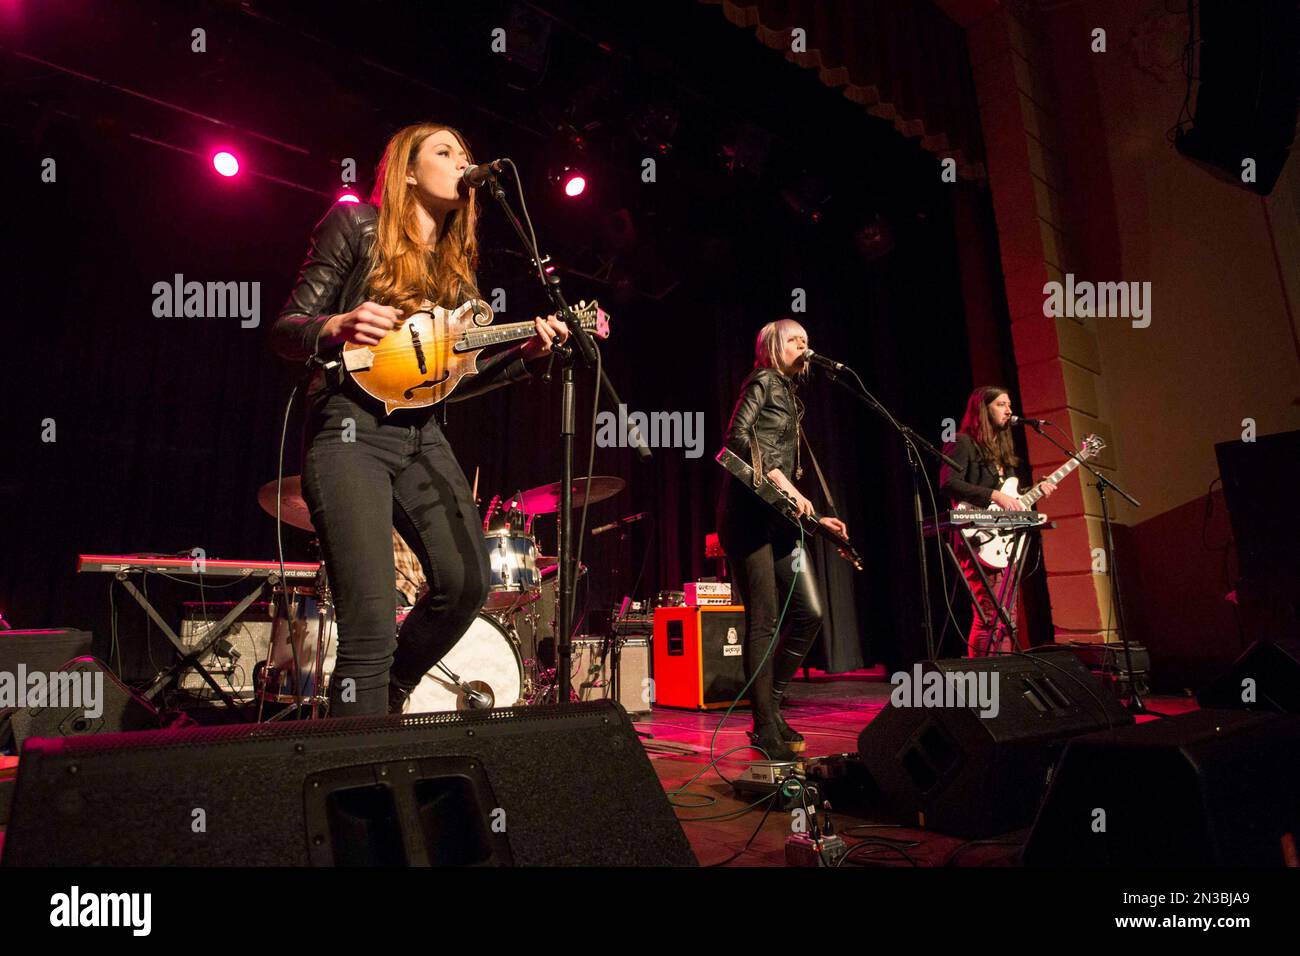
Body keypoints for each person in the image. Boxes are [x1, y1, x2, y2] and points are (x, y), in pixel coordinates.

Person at [270, 122, 569, 716]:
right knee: (371, 621)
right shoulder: (355, 226)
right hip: (349, 430)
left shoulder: (457, 277)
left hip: (422, 434)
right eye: (445, 151)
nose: (463, 162)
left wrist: (526, 357)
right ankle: (357, 773)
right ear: (407, 170)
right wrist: (336, 325)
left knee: (466, 585)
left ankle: (388, 695)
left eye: (466, 152)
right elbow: (286, 329)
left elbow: (453, 385)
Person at [716, 319, 845, 760]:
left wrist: (819, 519)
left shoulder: (790, 393)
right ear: (773, 344)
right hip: (748, 519)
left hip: (779, 522)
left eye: (808, 340)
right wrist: (780, 479)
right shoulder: (763, 380)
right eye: (795, 339)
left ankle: (771, 703)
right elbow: (736, 438)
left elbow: (787, 480)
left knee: (810, 612)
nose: (803, 346)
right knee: (765, 622)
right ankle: (765, 724)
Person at [939, 386, 1055, 657]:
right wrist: (992, 494)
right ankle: (982, 683)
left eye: (1009, 404)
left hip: (1003, 539)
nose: (1009, 409)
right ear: (983, 408)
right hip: (977, 538)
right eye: (1001, 404)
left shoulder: (1001, 451)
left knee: (1007, 613)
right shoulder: (961, 442)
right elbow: (948, 483)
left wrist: (1035, 490)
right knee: (990, 612)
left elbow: (1010, 496)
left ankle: (1001, 677)